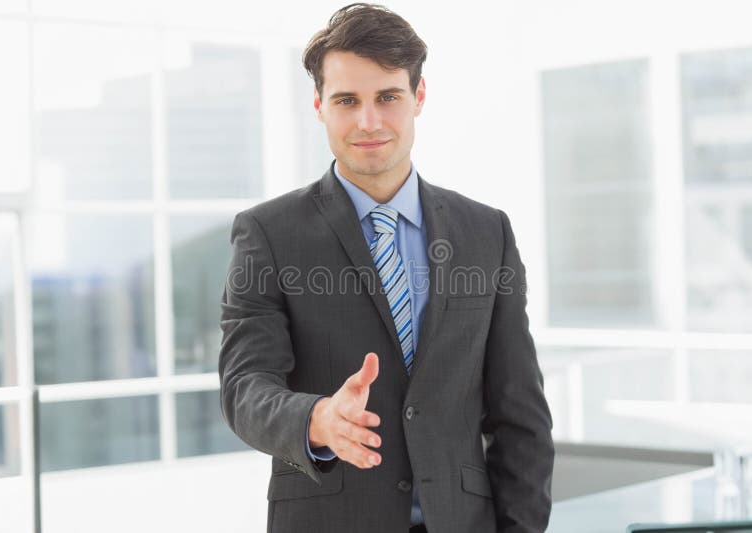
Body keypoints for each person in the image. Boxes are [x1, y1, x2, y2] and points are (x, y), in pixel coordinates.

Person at [218, 3, 554, 532]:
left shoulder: (487, 232)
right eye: (347, 100)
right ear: (319, 104)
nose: (368, 121)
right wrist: (318, 420)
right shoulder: (267, 233)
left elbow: (520, 415)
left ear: (418, 97)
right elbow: (244, 387)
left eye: (388, 97)